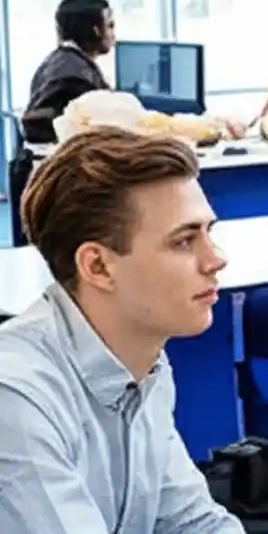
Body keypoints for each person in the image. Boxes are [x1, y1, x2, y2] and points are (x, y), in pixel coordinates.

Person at [0, 127, 243, 533]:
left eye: (209, 233)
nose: (216, 259)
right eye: (184, 241)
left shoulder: (144, 364)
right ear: (97, 266)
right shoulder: (17, 398)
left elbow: (194, 524)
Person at [21, 0, 115, 144]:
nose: (113, 34)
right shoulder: (74, 79)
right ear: (95, 30)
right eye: (110, 25)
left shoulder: (57, 63)